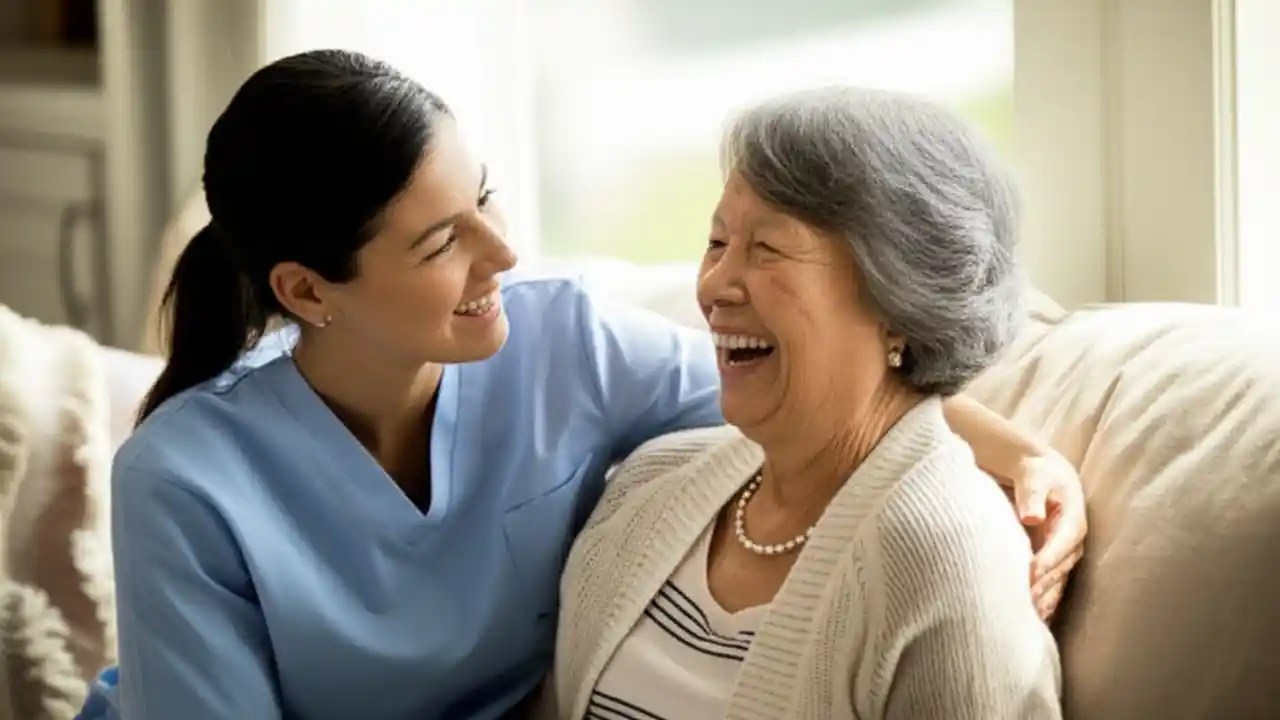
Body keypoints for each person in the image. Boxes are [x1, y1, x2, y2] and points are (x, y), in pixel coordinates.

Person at [79, 51, 1082, 720]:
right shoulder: (183, 478)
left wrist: (1020, 455)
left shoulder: (568, 346)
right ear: (307, 289)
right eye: (441, 241)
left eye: (483, 198)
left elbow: (830, 401)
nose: (503, 251)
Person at [550, 88, 1063, 720]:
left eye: (766, 248)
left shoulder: (945, 553)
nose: (712, 286)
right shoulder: (647, 488)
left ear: (895, 298)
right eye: (716, 244)